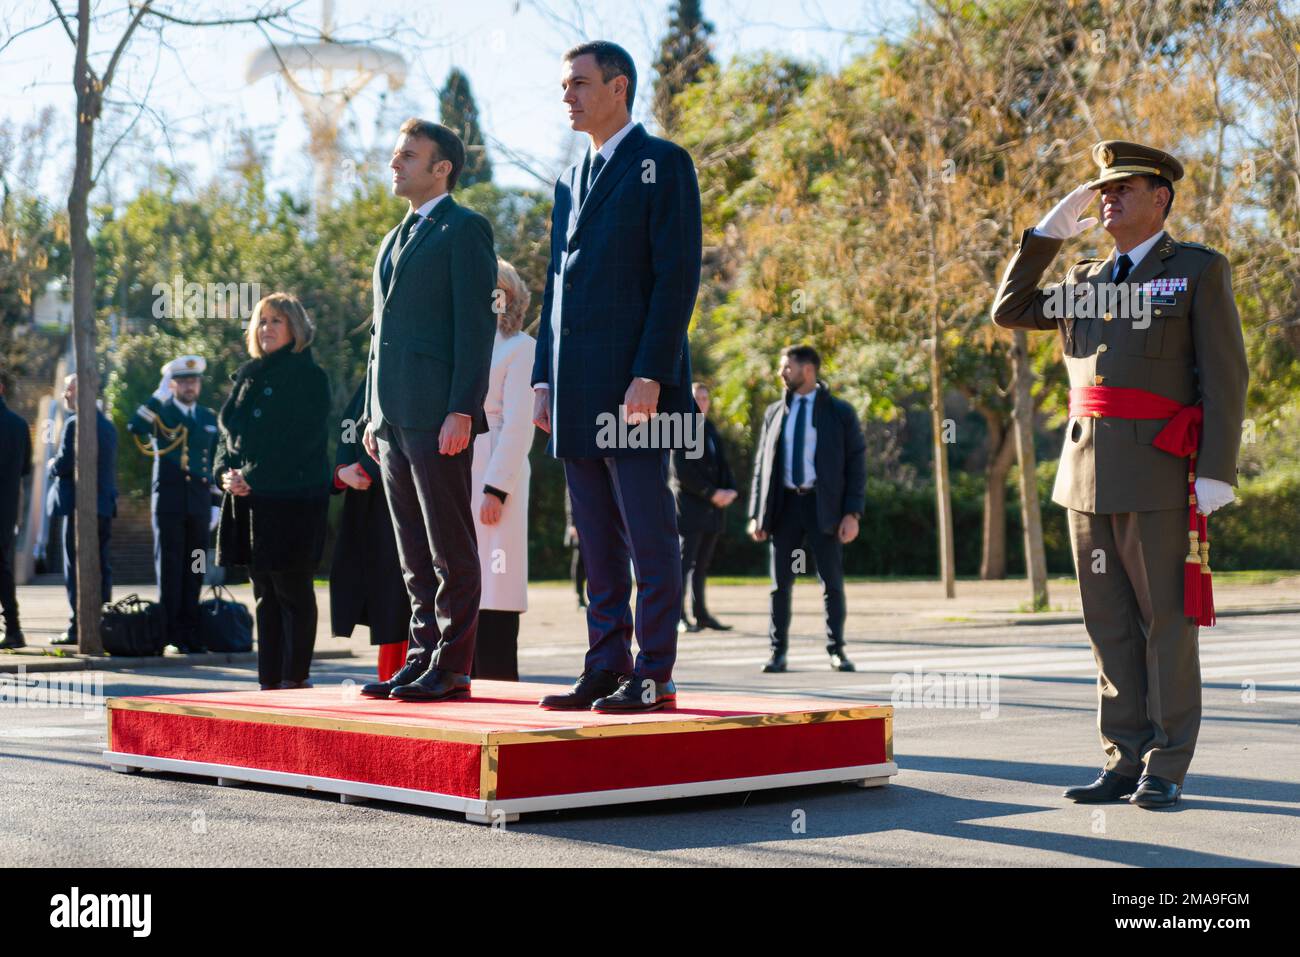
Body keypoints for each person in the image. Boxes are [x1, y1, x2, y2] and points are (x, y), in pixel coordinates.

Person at [991, 141, 1249, 809]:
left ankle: (1166, 762)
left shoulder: (1195, 270)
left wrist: (1216, 470)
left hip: (1161, 470)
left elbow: (1226, 376)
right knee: (1107, 626)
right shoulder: (1081, 278)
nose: (1107, 199)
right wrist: (1046, 235)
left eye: (1122, 189)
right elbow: (1010, 308)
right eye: (1102, 190)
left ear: (1160, 197)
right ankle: (1122, 756)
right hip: (1084, 474)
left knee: (1166, 622)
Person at [531, 41, 703, 714]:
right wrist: (543, 377)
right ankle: (606, 663)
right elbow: (555, 285)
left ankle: (654, 670)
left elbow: (676, 277)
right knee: (597, 541)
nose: (567, 95)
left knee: (648, 534)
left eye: (578, 83)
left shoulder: (664, 163)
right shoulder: (570, 179)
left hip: (634, 389)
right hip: (573, 391)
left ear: (618, 87)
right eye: (564, 84)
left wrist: (650, 374)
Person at [358, 119, 497, 703]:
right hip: (391, 419)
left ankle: (453, 666)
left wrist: (462, 410)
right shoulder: (393, 238)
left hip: (439, 414)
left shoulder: (465, 229)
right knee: (412, 551)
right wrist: (371, 413)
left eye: (409, 156)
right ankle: (419, 658)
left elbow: (475, 326)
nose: (396, 163)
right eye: (395, 154)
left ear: (443, 168)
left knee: (449, 547)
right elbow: (378, 337)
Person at [215, 293, 330, 691]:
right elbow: (228, 435)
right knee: (263, 593)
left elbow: (301, 441)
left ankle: (294, 680)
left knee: (292, 592)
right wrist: (225, 475)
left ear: (295, 328)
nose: (266, 329)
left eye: (276, 321)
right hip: (251, 503)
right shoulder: (248, 374)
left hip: (292, 502)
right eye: (262, 321)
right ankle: (269, 685)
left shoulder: (309, 377)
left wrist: (252, 475)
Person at [748, 345, 866, 674]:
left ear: (808, 370)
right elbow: (761, 465)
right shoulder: (774, 412)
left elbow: (857, 464)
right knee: (779, 584)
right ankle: (777, 652)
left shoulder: (839, 412)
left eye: (787, 367)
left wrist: (852, 513)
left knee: (831, 582)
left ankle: (837, 650)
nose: (781, 373)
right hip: (784, 506)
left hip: (822, 505)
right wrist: (758, 512)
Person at [470, 259, 537, 682]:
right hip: (456, 468)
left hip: (494, 472)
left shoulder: (519, 348)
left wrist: (496, 488)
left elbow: (517, 424)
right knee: (464, 587)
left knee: (495, 583)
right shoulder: (464, 345)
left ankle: (498, 688)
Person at [126, 355, 220, 652]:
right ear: (173, 384)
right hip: (169, 503)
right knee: (170, 568)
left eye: (194, 381)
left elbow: (218, 461)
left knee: (196, 566)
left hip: (200, 505)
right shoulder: (161, 414)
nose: (189, 386)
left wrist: (216, 503)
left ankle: (190, 634)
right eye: (183, 381)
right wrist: (157, 397)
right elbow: (134, 426)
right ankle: (166, 633)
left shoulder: (207, 417)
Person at [329, 378, 411, 680]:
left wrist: (366, 467)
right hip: (368, 499)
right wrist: (343, 470)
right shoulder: (373, 375)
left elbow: (404, 425)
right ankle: (389, 675)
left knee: (401, 596)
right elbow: (350, 424)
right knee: (384, 597)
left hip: (401, 489)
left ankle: (402, 673)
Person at [47, 374, 116, 646]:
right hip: (104, 508)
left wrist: (52, 463)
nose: (65, 395)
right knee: (102, 567)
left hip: (81, 508)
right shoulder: (108, 425)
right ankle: (104, 621)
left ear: (82, 392)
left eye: (69, 390)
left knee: (76, 568)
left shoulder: (76, 423)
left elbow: (64, 464)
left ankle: (79, 625)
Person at [671, 382, 737, 632]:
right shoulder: (680, 428)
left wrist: (730, 490)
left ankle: (701, 614)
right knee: (683, 565)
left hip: (712, 511)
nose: (701, 402)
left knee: (702, 565)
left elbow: (723, 466)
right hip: (689, 510)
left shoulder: (710, 428)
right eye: (696, 397)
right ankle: (678, 616)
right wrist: (712, 493)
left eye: (705, 398)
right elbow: (681, 472)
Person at [0, 369, 32, 649]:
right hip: (6, 512)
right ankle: (13, 627)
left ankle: (13, 629)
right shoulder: (20, 425)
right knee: (3, 570)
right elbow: (25, 470)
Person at [564, 487, 586, 609]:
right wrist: (571, 524)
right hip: (578, 527)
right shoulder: (573, 474)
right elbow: (569, 500)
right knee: (579, 564)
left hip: (594, 525)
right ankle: (580, 597)